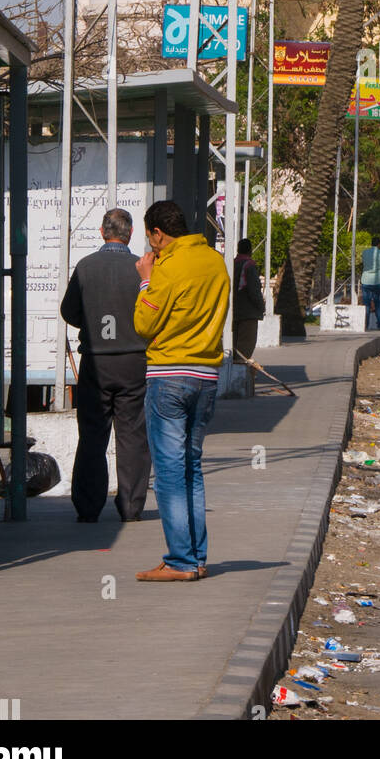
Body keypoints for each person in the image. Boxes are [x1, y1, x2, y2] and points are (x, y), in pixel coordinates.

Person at [133, 200, 229, 581]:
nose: (151, 248)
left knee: (170, 470)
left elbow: (143, 322)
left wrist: (145, 278)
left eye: (151, 239)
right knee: (192, 465)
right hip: (206, 375)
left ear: (159, 232)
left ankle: (181, 561)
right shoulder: (214, 261)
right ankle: (196, 556)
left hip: (170, 374)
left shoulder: (168, 267)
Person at [60, 208, 150, 524]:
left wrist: (92, 321)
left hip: (96, 362)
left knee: (93, 436)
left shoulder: (86, 267)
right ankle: (131, 506)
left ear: (102, 232)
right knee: (133, 436)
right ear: (130, 234)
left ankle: (87, 506)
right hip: (134, 361)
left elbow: (69, 311)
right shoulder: (140, 268)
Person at [232, 237, 265, 362]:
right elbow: (254, 290)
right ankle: (240, 374)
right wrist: (261, 307)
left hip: (233, 312)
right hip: (248, 312)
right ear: (250, 250)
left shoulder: (233, 263)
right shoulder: (249, 265)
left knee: (234, 344)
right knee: (246, 345)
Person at [360, 235, 380, 330]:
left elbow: (364, 263)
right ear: (379, 244)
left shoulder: (365, 252)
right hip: (378, 280)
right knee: (378, 303)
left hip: (366, 280)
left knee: (366, 304)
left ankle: (365, 325)